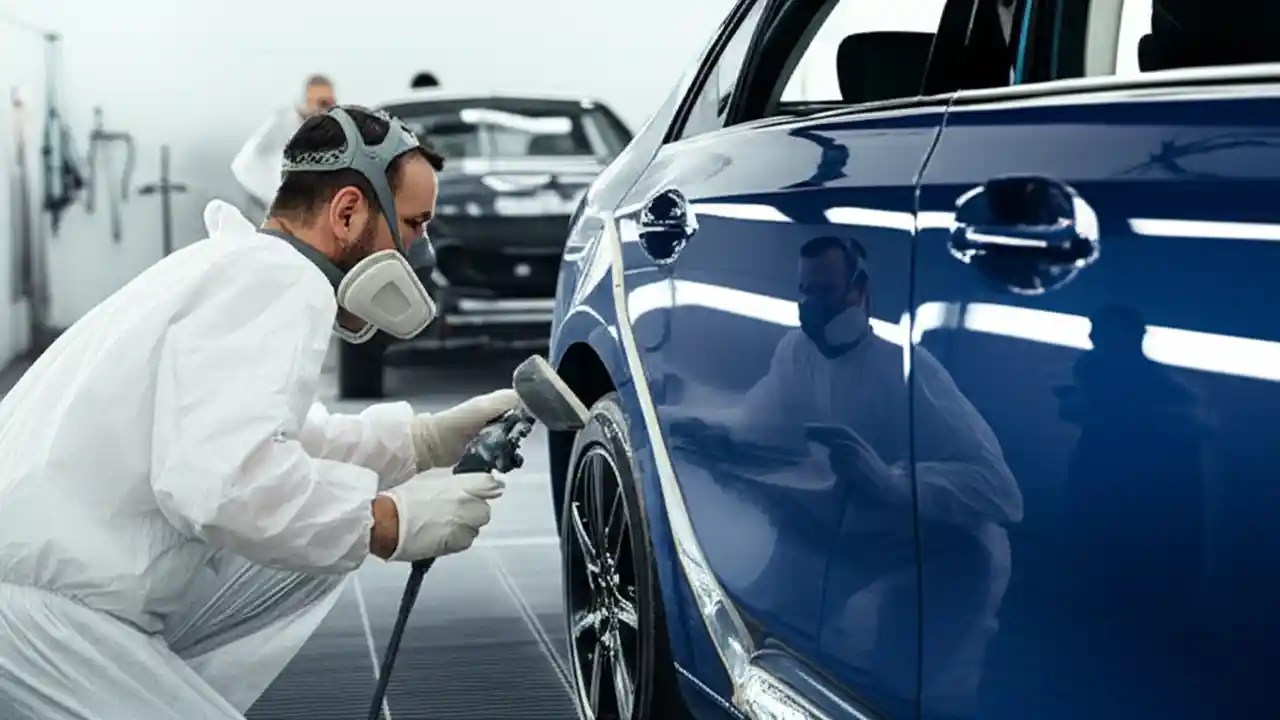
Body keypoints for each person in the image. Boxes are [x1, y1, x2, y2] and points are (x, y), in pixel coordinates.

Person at [0, 104, 520, 718]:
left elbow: (279, 443)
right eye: (413, 224)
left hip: (48, 596)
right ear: (348, 211)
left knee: (313, 546)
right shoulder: (278, 281)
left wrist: (422, 441)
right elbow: (223, 480)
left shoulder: (238, 265)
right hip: (43, 622)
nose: (421, 251)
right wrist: (383, 522)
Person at [232, 74, 337, 218]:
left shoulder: (328, 132)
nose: (328, 109)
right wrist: (277, 196)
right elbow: (243, 164)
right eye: (323, 103)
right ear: (307, 100)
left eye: (332, 103)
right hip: (271, 211)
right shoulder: (282, 124)